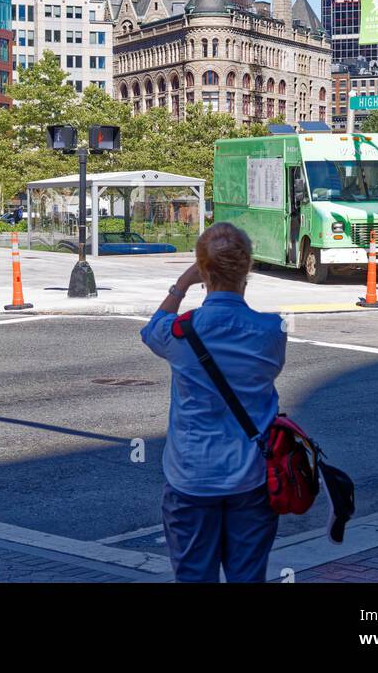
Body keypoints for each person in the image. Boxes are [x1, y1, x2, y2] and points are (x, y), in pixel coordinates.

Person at [141, 222, 286, 583]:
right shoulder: (272, 331)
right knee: (248, 577)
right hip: (251, 476)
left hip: (192, 477)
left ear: (203, 271)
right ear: (247, 266)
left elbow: (151, 330)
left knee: (194, 577)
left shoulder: (180, 332)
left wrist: (182, 284)